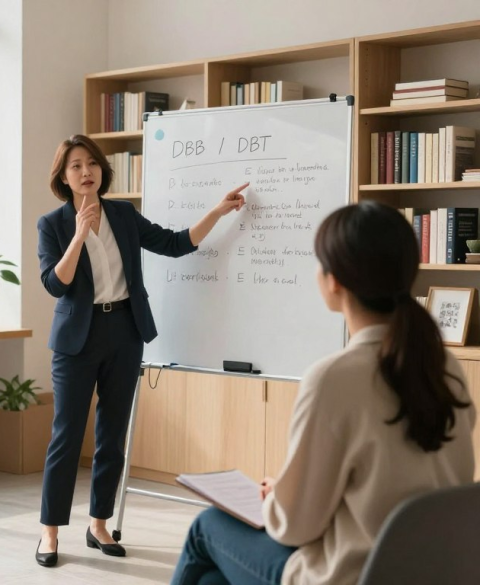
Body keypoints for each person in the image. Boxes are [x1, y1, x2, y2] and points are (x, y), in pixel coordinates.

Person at [170, 201, 476, 585]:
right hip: (434, 571)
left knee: (207, 527)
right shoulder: (446, 367)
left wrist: (276, 500)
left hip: (351, 575)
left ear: (335, 280)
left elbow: (294, 529)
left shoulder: (333, 379)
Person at [35, 134, 247, 566]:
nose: (86, 171)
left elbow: (174, 243)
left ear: (101, 171)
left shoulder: (123, 215)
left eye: (91, 163)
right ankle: (49, 533)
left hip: (124, 331)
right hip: (76, 340)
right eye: (75, 166)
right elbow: (55, 284)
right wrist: (78, 237)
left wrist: (219, 211)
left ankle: (99, 524)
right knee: (67, 437)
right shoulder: (52, 224)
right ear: (63, 176)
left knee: (113, 435)